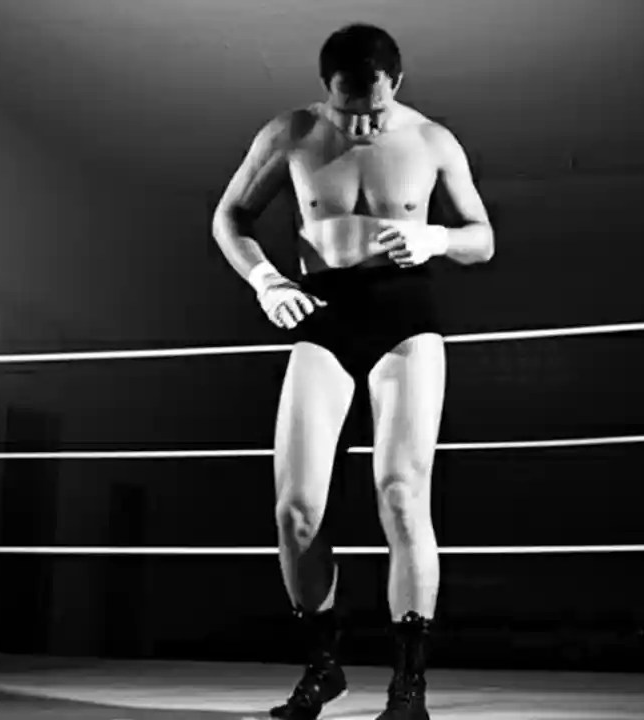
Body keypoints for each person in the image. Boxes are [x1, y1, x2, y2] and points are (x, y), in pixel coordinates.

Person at [212, 22, 494, 720]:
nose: (361, 122)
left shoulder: (433, 140)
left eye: (372, 106)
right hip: (321, 310)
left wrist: (437, 236)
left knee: (401, 494)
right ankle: (322, 666)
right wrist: (267, 282)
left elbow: (482, 238)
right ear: (325, 90)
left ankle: (408, 687)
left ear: (395, 83)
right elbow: (230, 217)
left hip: (405, 315)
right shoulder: (292, 133)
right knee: (295, 509)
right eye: (346, 108)